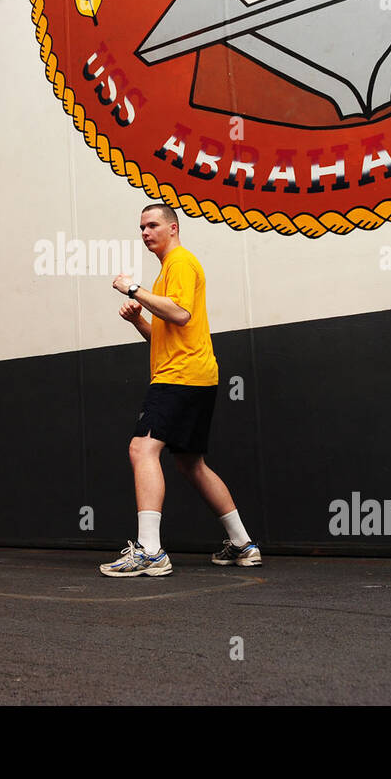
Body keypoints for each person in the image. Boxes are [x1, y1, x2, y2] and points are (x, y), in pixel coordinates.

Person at [100, 204, 260, 576]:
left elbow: (181, 313)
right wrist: (141, 318)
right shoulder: (168, 273)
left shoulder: (180, 263)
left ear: (173, 228)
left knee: (142, 448)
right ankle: (242, 544)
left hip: (180, 376)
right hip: (195, 375)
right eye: (141, 227)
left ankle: (150, 552)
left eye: (152, 225)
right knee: (190, 463)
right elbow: (168, 332)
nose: (145, 232)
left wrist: (133, 289)